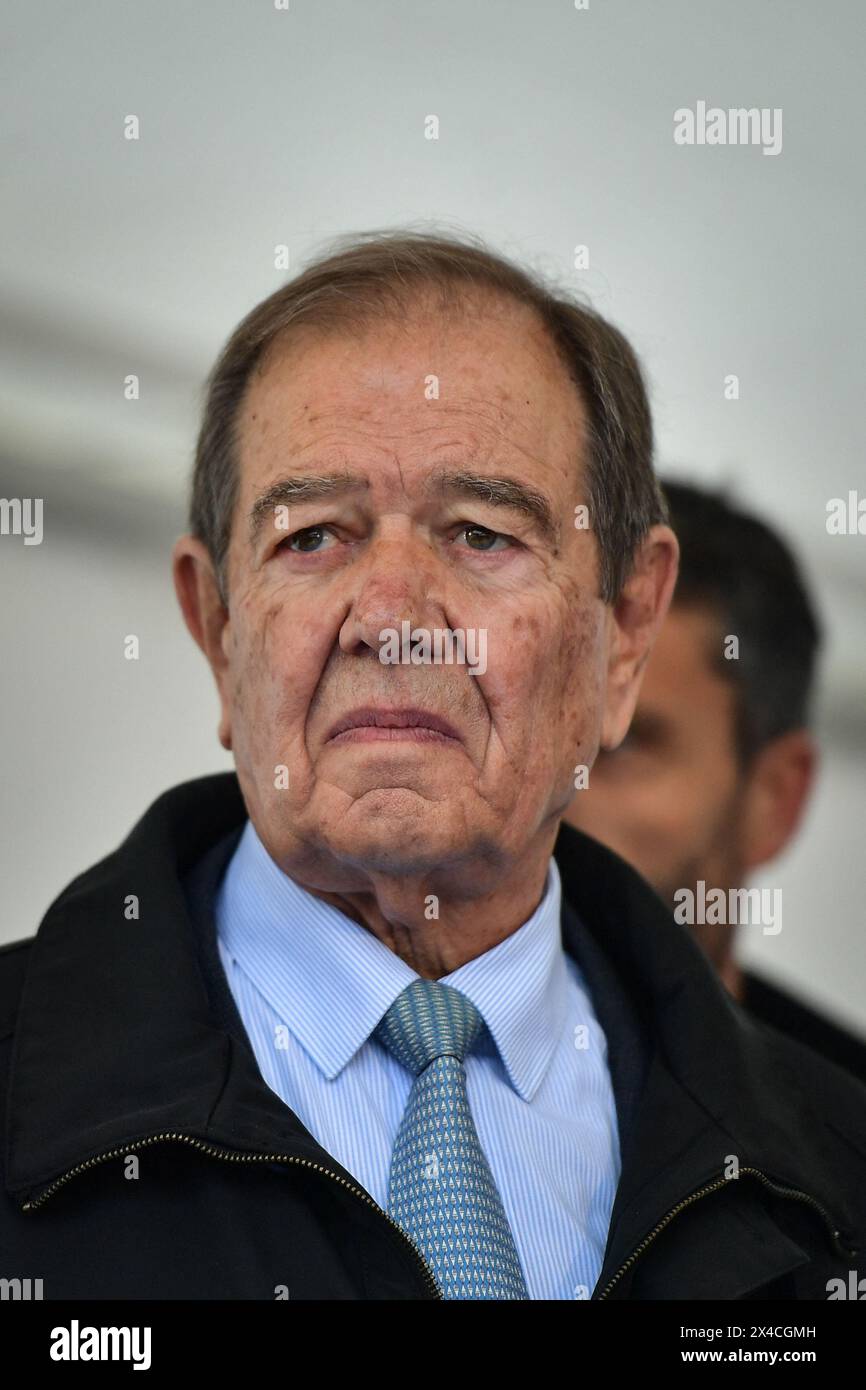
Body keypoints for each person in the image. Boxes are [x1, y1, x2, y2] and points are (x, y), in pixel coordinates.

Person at [0, 233, 863, 1302]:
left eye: (480, 533)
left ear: (624, 632)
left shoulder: (833, 1177)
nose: (394, 621)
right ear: (217, 625)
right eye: (313, 536)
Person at [565, 481, 866, 1085]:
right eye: (541, 733)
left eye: (623, 748)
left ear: (774, 799)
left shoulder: (844, 1146)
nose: (556, 794)